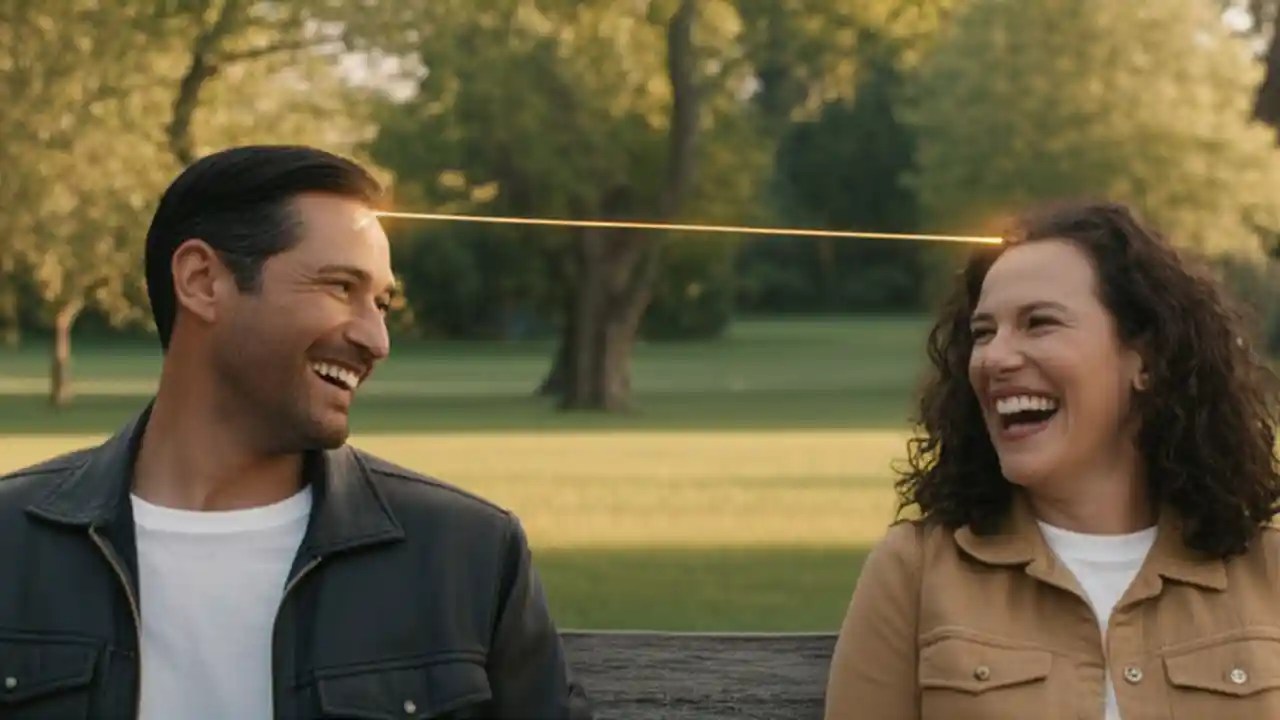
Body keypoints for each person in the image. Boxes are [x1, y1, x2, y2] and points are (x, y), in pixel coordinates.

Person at [0, 145, 592, 719]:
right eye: (340, 287)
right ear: (203, 281)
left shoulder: (468, 554)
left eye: (381, 303)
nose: (376, 340)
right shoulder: (13, 544)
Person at [824, 202, 1280, 720]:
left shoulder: (1268, 571)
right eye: (983, 333)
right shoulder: (917, 571)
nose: (995, 358)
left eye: (1039, 323)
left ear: (1146, 360)